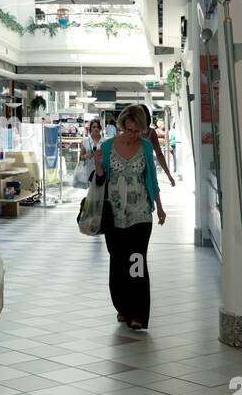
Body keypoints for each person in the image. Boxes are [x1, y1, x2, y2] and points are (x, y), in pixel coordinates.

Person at [92, 105, 166, 331]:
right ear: (122, 126)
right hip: (113, 216)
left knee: (137, 263)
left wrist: (160, 208)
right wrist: (97, 163)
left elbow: (151, 180)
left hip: (140, 215)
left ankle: (138, 315)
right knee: (118, 263)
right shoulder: (107, 147)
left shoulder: (145, 147)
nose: (134, 135)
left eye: (137, 131)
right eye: (130, 130)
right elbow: (99, 178)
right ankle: (123, 308)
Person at [137, 104, 175, 185]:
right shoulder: (131, 133)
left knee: (152, 195)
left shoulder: (151, 132)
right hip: (133, 171)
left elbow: (159, 155)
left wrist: (169, 175)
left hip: (149, 171)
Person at [74, 118, 102, 189]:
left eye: (98, 127)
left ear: (100, 129)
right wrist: (85, 157)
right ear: (90, 129)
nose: (96, 129)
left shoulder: (104, 142)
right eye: (94, 127)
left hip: (101, 170)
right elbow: (80, 158)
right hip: (88, 171)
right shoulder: (85, 141)